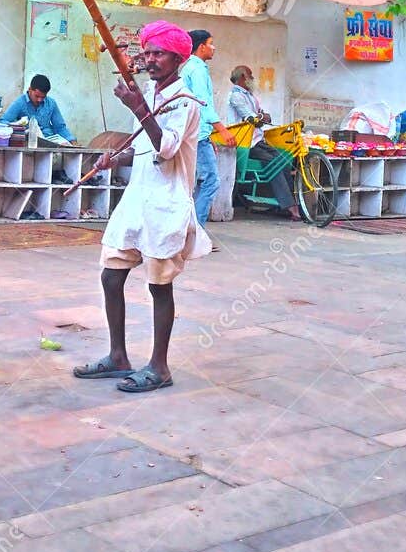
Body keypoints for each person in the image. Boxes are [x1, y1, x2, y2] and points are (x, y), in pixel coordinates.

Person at [72, 20, 209, 394]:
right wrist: (116, 159)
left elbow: (166, 150)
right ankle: (118, 356)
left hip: (166, 204)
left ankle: (159, 367)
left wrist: (138, 109)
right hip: (137, 199)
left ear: (178, 58)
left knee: (159, 286)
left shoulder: (185, 103)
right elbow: (145, 148)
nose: (151, 60)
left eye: (159, 53)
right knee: (111, 274)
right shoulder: (148, 92)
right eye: (147, 53)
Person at [178, 29, 235, 226]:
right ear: (201, 47)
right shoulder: (198, 69)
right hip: (196, 135)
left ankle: (190, 229)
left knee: (198, 183)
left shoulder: (189, 68)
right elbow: (203, 104)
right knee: (211, 182)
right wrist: (222, 130)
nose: (214, 47)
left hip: (195, 133)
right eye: (211, 43)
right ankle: (196, 232)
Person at [228, 64, 299, 218]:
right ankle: (290, 206)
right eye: (250, 76)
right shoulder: (236, 96)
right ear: (242, 78)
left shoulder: (251, 96)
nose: (253, 79)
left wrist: (262, 117)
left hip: (258, 140)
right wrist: (261, 117)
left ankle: (288, 203)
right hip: (246, 143)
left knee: (284, 159)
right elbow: (252, 118)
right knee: (274, 163)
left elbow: (262, 115)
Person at [1, 74, 75, 143]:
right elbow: (3, 122)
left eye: (43, 97)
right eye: (37, 96)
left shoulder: (51, 103)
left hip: (48, 142)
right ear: (30, 89)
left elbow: (60, 127)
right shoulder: (20, 103)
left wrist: (72, 141)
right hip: (28, 142)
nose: (39, 100)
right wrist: (16, 126)